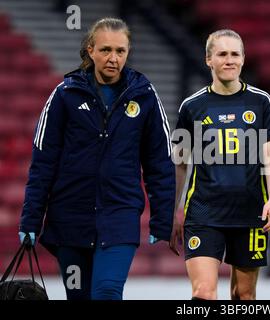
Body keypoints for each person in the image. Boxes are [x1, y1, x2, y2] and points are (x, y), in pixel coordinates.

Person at [18, 17, 175, 300]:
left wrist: (162, 218)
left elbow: (160, 162)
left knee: (107, 292)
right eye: (105, 50)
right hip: (70, 221)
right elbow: (43, 163)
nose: (113, 58)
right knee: (79, 296)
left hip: (119, 217)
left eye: (120, 51)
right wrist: (30, 220)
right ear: (90, 50)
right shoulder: (64, 95)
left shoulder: (145, 97)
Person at [170, 29, 270, 300]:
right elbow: (181, 163)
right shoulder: (191, 107)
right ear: (209, 59)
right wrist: (176, 210)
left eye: (235, 54)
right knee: (203, 293)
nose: (229, 60)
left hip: (250, 211)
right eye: (222, 54)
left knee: (243, 295)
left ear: (243, 59)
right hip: (203, 212)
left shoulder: (261, 102)